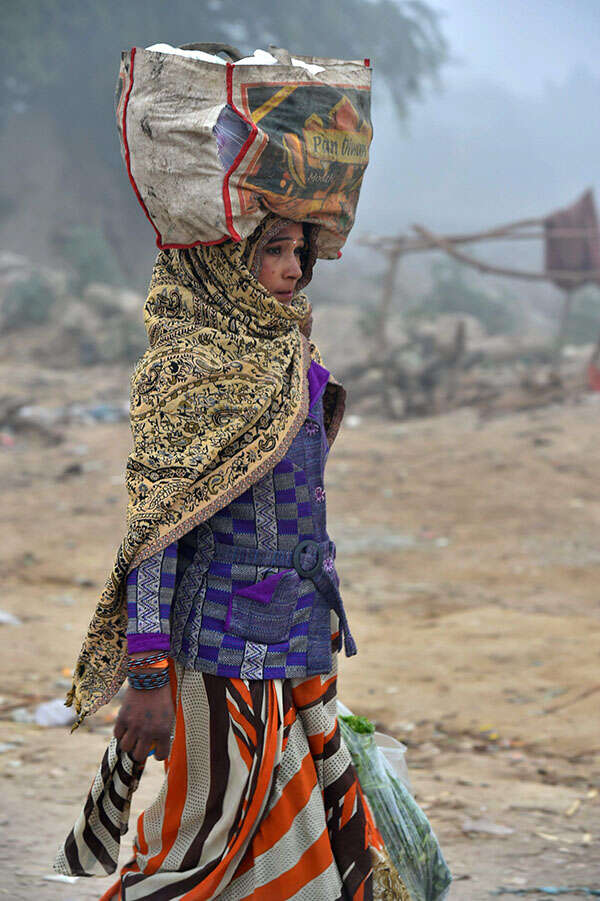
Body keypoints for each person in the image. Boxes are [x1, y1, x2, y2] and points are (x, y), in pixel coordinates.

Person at [55, 214, 408, 900]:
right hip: (216, 644)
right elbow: (157, 531)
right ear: (222, 267)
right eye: (273, 250)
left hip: (299, 634)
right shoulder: (185, 373)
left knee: (296, 831)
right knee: (200, 844)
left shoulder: (293, 360)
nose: (293, 269)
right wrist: (150, 674)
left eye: (298, 251)